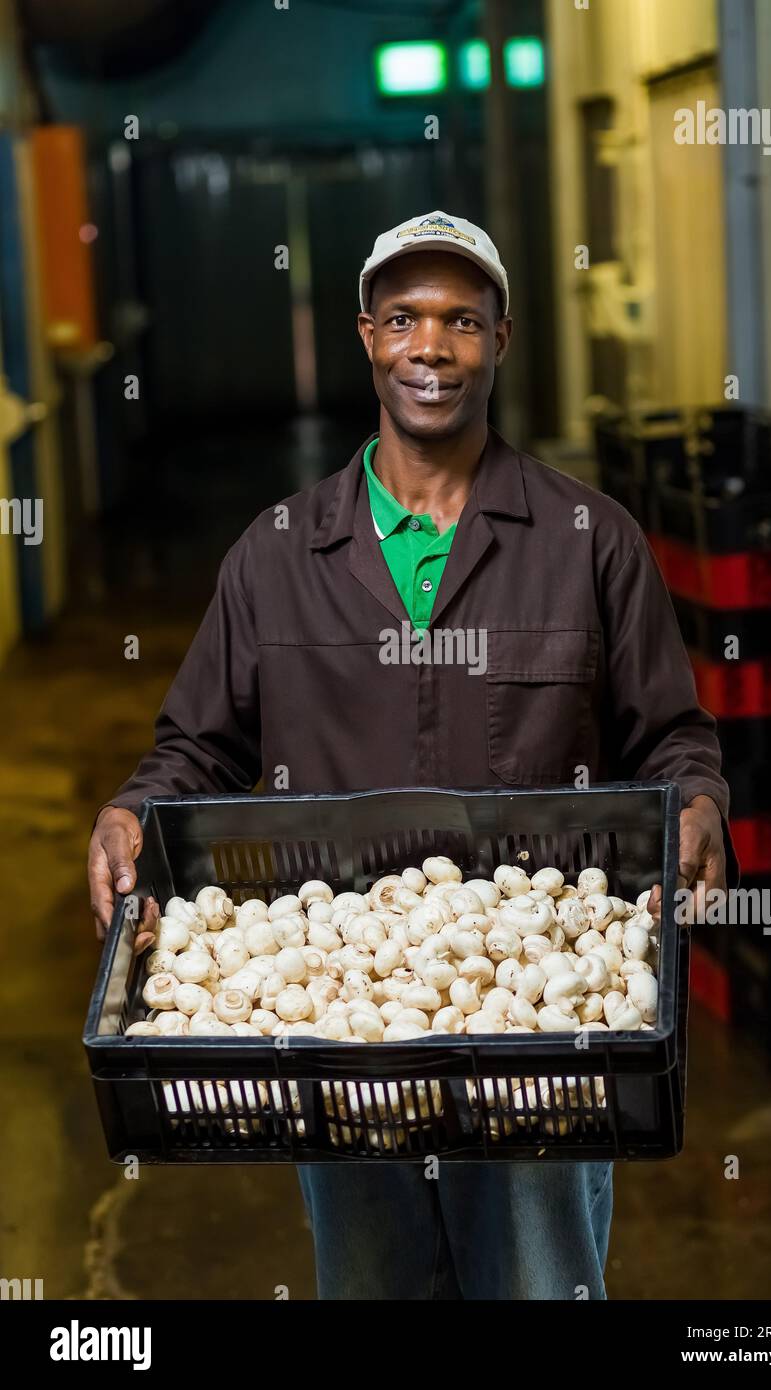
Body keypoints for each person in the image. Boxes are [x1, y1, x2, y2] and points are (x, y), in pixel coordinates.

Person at [88, 210, 731, 1300]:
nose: (429, 344)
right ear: (366, 337)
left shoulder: (589, 540)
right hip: (345, 1036)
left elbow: (669, 734)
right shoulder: (279, 554)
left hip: (537, 1034)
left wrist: (698, 796)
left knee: (537, 1283)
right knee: (374, 1285)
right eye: (403, 318)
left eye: (459, 321)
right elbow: (195, 746)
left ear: (500, 340)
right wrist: (131, 813)